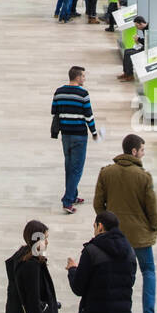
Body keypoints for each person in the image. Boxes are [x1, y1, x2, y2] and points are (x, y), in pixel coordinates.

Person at [94, 134, 157, 313]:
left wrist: (107, 222)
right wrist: (154, 226)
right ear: (133, 151)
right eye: (142, 150)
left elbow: (98, 203)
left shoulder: (106, 173)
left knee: (115, 273)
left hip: (115, 235)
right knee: (148, 271)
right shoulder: (144, 177)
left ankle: (113, 312)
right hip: (140, 236)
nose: (143, 154)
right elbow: (152, 208)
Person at [51, 65, 98, 213]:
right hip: (79, 135)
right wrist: (94, 132)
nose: (84, 78)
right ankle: (68, 201)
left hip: (65, 135)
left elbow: (54, 112)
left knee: (69, 166)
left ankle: (73, 194)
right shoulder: (83, 94)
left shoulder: (59, 92)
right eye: (83, 76)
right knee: (77, 169)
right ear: (77, 77)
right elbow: (88, 116)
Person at [117, 16, 149, 80]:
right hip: (144, 47)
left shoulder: (147, 29)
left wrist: (138, 39)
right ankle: (126, 72)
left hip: (147, 49)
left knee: (129, 54)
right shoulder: (144, 28)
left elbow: (148, 42)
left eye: (137, 26)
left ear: (141, 24)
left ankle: (130, 75)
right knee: (126, 51)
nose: (136, 27)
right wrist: (138, 40)